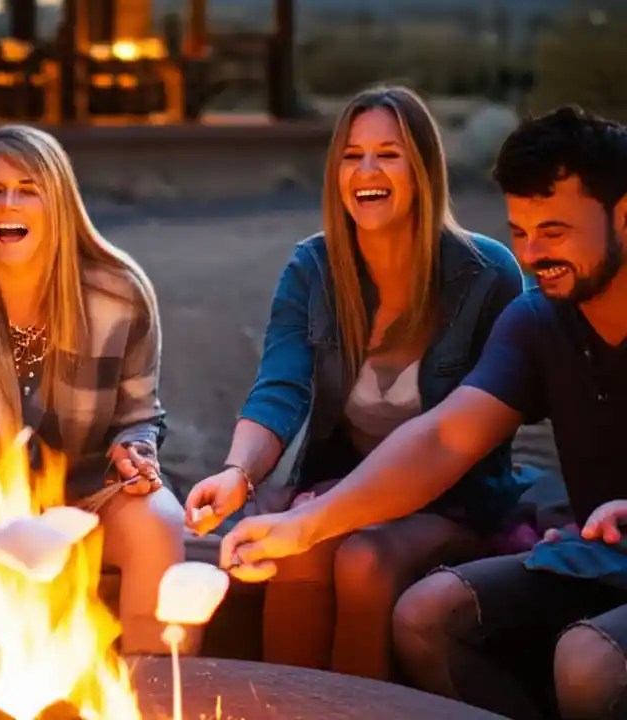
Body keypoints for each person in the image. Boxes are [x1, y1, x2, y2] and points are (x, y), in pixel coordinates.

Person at [217, 106, 627, 720]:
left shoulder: (484, 275)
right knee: (424, 614)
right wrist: (305, 521)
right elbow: (442, 438)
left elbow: (464, 468)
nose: (535, 253)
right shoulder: (538, 319)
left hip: (486, 516)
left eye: (556, 230)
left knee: (584, 659)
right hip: (600, 550)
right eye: (521, 232)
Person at [183, 86, 525, 679]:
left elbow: (466, 438)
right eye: (351, 155)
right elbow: (280, 389)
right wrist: (237, 473)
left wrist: (347, 508)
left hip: (453, 500)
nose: (367, 171)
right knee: (297, 555)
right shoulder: (312, 268)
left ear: (422, 169)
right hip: (340, 484)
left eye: (388, 154)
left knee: (364, 561)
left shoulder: (488, 273)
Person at [0, 123, 196, 656]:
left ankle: (153, 697)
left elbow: (139, 413)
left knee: (160, 518)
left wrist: (134, 451)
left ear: (58, 203)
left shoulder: (119, 294)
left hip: (92, 492)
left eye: (28, 189)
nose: (7, 205)